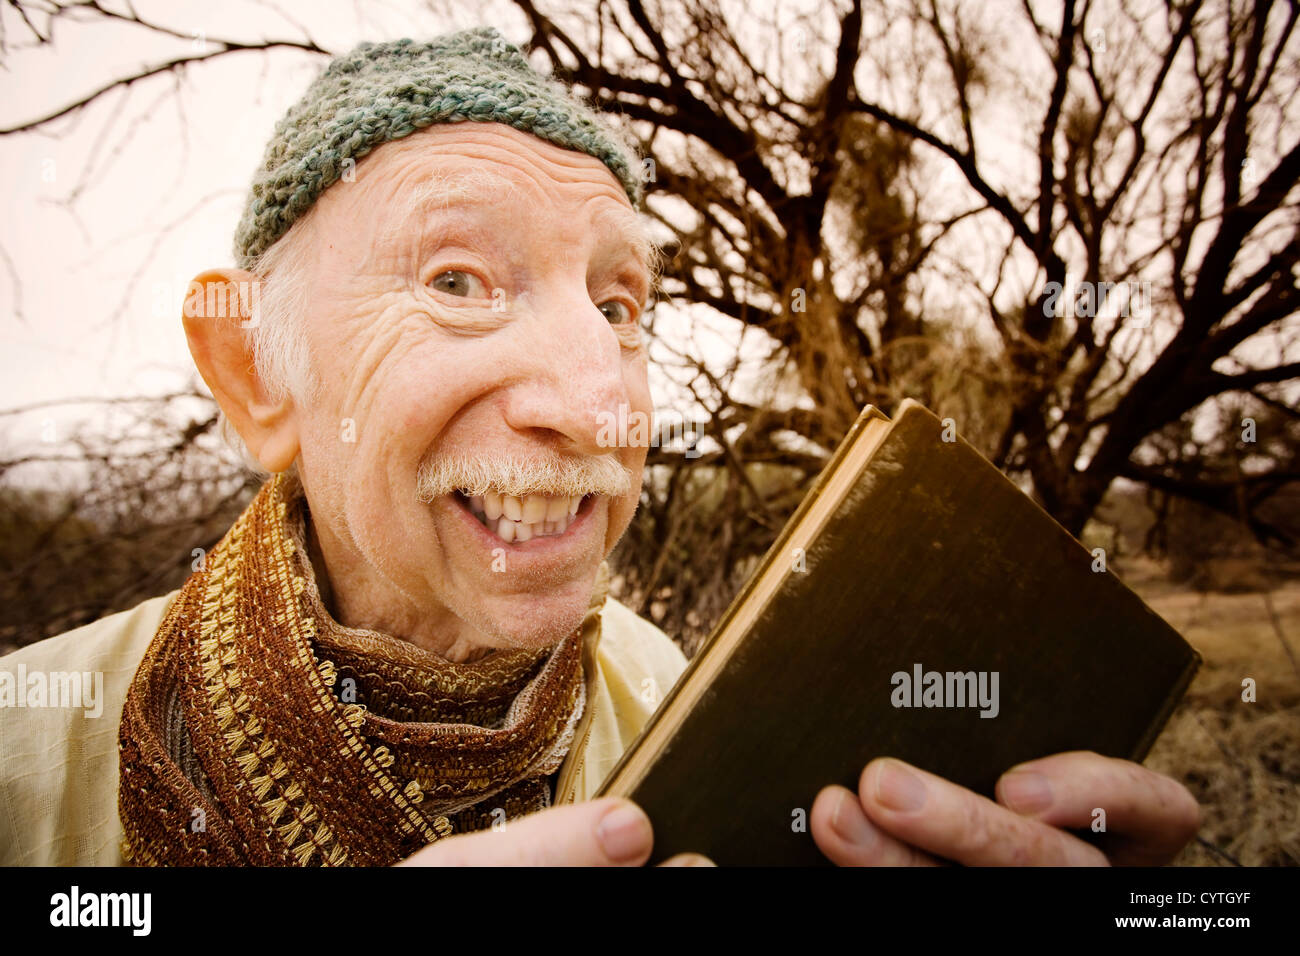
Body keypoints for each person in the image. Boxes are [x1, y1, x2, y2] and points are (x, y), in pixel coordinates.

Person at [0, 28, 1198, 867]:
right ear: (259, 375)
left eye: (620, 307)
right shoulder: (24, 754)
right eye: (458, 278)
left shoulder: (684, 700)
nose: (602, 406)